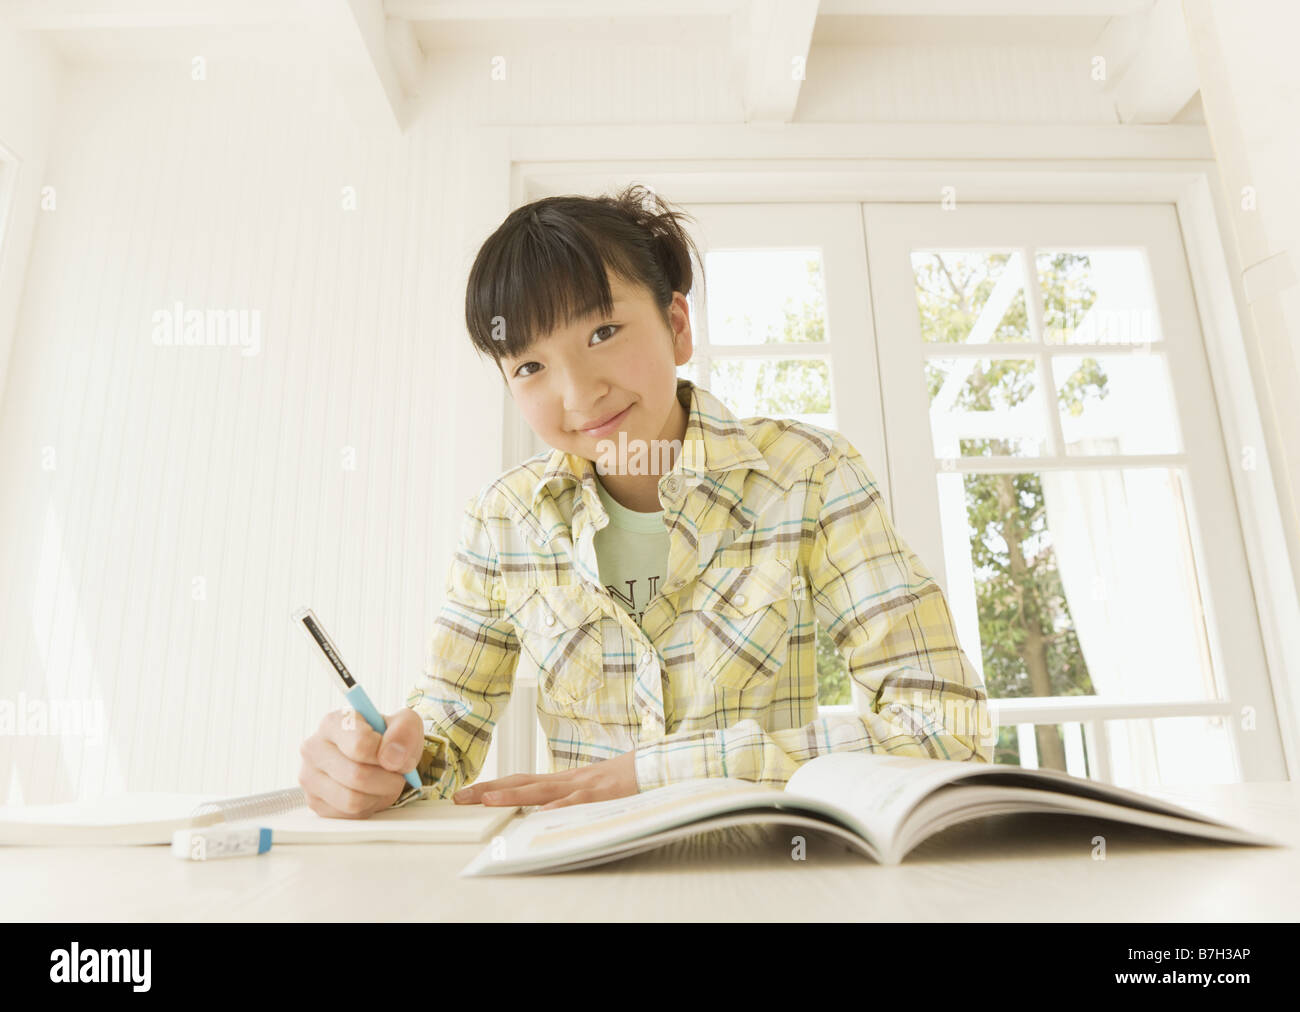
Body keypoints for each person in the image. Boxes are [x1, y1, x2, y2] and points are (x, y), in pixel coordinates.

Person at [298, 185, 993, 819]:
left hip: (768, 881)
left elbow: (946, 730)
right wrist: (388, 768)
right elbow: (446, 727)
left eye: (602, 332)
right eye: (531, 367)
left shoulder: (807, 473)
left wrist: (660, 773)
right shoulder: (501, 519)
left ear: (677, 326)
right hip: (583, 890)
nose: (578, 394)